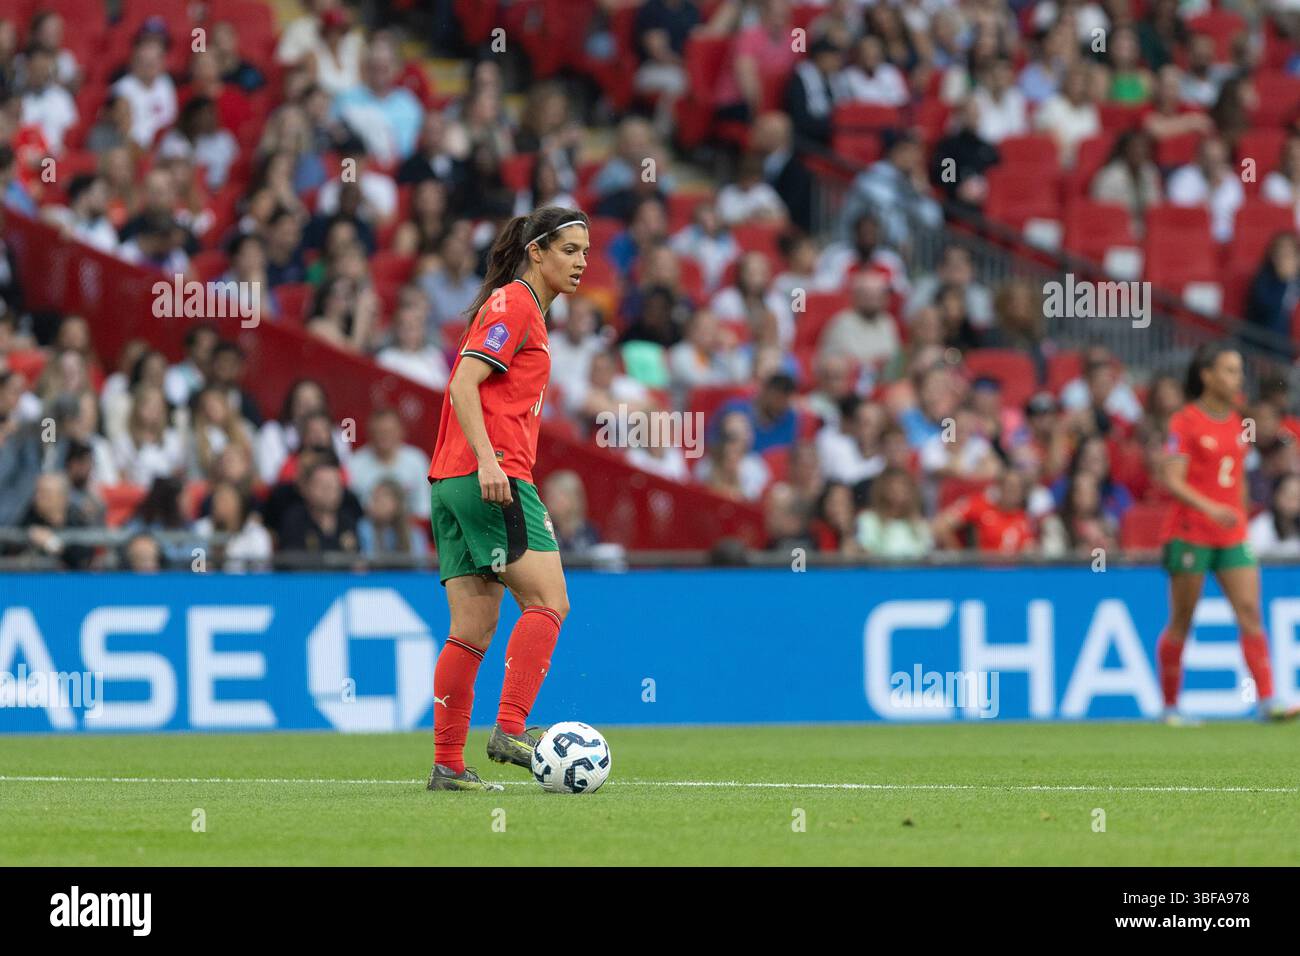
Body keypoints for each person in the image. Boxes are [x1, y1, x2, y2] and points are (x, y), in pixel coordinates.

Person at [425, 206, 588, 792]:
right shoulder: (516, 303)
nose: (581, 262)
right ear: (537, 251)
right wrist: (492, 462)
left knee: (471, 628)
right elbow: (463, 382)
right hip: (490, 478)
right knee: (550, 601)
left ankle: (448, 765)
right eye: (569, 250)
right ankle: (511, 728)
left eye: (586, 253)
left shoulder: (522, 309)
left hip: (451, 482)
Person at [1155, 344, 1297, 724]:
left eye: (1239, 370)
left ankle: (1268, 701)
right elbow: (1171, 479)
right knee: (1182, 619)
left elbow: (1236, 483)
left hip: (1231, 534)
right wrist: (1211, 508)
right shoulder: (1185, 421)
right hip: (1190, 532)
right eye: (1230, 370)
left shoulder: (1237, 422)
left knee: (1250, 612)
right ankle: (1170, 707)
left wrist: (1240, 516)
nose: (1239, 377)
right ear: (1208, 375)